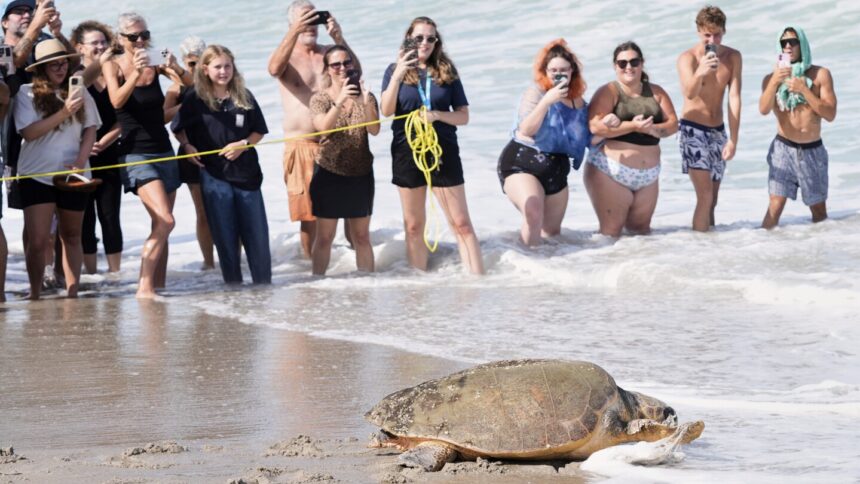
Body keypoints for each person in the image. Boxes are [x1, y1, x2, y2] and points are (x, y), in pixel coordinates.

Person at [381, 16, 484, 274]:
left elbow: (463, 116)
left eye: (430, 38)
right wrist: (399, 74)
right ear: (409, 39)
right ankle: (419, 290)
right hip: (407, 151)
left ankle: (478, 283)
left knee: (461, 223)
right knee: (414, 226)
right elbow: (386, 110)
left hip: (443, 151)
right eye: (419, 38)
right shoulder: (394, 70)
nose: (424, 43)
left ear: (436, 42)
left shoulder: (446, 71)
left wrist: (437, 115)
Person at [103, 12, 192, 298]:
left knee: (160, 225)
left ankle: (158, 286)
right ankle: (143, 287)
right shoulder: (112, 64)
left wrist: (174, 65)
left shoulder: (157, 54)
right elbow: (116, 100)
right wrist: (135, 72)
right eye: (133, 37)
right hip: (134, 153)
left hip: (163, 149)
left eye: (145, 35)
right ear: (121, 39)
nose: (141, 40)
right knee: (166, 219)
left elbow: (192, 84)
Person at [173, 45, 271, 284]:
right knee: (225, 237)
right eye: (218, 67)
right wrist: (187, 146)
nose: (224, 71)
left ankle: (264, 289)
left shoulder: (244, 95)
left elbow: (259, 130)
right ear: (205, 69)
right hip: (213, 176)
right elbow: (177, 127)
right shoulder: (194, 98)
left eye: (228, 66)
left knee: (256, 237)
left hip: (246, 174)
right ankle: (233, 291)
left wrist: (244, 144)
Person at [268, 0, 358, 258]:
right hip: (302, 145)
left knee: (349, 210)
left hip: (337, 143)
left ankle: (359, 271)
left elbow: (355, 72)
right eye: (304, 18)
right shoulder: (287, 56)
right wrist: (294, 31)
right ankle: (312, 276)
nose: (311, 24)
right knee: (309, 216)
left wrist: (340, 38)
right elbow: (274, 69)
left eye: (313, 18)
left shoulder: (330, 54)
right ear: (292, 23)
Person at [14, 39, 100, 299]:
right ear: (41, 69)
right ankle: (35, 293)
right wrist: (65, 112)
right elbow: (29, 133)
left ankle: (72, 293)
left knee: (72, 235)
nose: (61, 69)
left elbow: (91, 129)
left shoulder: (79, 90)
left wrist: (81, 161)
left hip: (74, 172)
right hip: (35, 174)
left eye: (63, 63)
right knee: (39, 240)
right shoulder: (26, 93)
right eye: (53, 65)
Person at [497, 39, 592, 247]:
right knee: (533, 213)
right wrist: (547, 101)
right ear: (546, 72)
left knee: (552, 235)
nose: (558, 75)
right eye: (553, 71)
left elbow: (590, 139)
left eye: (563, 70)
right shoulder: (536, 93)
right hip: (522, 161)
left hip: (556, 170)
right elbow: (526, 130)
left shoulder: (581, 104)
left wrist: (610, 123)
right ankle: (526, 267)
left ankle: (544, 274)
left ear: (572, 71)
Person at [585, 41, 678, 237]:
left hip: (649, 176)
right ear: (615, 66)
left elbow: (673, 124)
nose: (629, 67)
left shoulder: (656, 91)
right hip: (610, 171)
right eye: (622, 63)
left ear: (642, 64)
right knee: (610, 233)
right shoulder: (609, 91)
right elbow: (595, 126)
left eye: (634, 62)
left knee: (641, 234)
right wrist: (632, 126)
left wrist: (652, 129)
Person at [309, 45, 379, 275]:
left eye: (347, 63)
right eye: (335, 65)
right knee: (325, 237)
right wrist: (340, 100)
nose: (342, 68)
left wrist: (365, 101)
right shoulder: (320, 99)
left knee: (361, 236)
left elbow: (374, 129)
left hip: (361, 173)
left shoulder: (367, 95)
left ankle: (367, 285)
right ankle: (317, 284)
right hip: (329, 172)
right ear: (327, 69)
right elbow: (322, 129)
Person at [759, 26, 836, 229]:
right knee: (775, 206)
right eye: (783, 43)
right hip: (783, 148)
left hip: (812, 151)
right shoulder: (770, 79)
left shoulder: (820, 75)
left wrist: (804, 90)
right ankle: (762, 251)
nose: (788, 46)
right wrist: (775, 82)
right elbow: (763, 109)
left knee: (818, 210)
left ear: (802, 45)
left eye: (793, 42)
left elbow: (830, 114)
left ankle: (819, 257)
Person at [677, 5, 742, 232]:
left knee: (712, 200)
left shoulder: (733, 57)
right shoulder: (688, 58)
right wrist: (701, 71)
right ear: (698, 32)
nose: (712, 39)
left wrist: (733, 139)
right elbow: (689, 93)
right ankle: (698, 251)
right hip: (692, 129)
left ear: (724, 32)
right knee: (704, 197)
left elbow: (734, 98)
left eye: (717, 34)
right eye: (707, 34)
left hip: (718, 131)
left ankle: (709, 251)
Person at [71, 20, 123, 274]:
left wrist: (105, 141)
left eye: (104, 42)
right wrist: (86, 145)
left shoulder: (115, 73)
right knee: (85, 220)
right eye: (95, 43)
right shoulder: (75, 76)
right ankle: (91, 275)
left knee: (111, 216)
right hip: (82, 155)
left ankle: (115, 275)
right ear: (80, 48)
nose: (101, 46)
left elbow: (125, 117)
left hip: (110, 151)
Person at [165, 35, 214, 270]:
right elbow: (165, 119)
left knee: (225, 207)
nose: (195, 69)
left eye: (199, 62)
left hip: (218, 149)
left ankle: (231, 258)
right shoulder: (177, 87)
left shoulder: (215, 81)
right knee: (203, 211)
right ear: (184, 62)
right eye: (191, 64)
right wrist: (186, 104)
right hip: (189, 150)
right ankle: (208, 263)